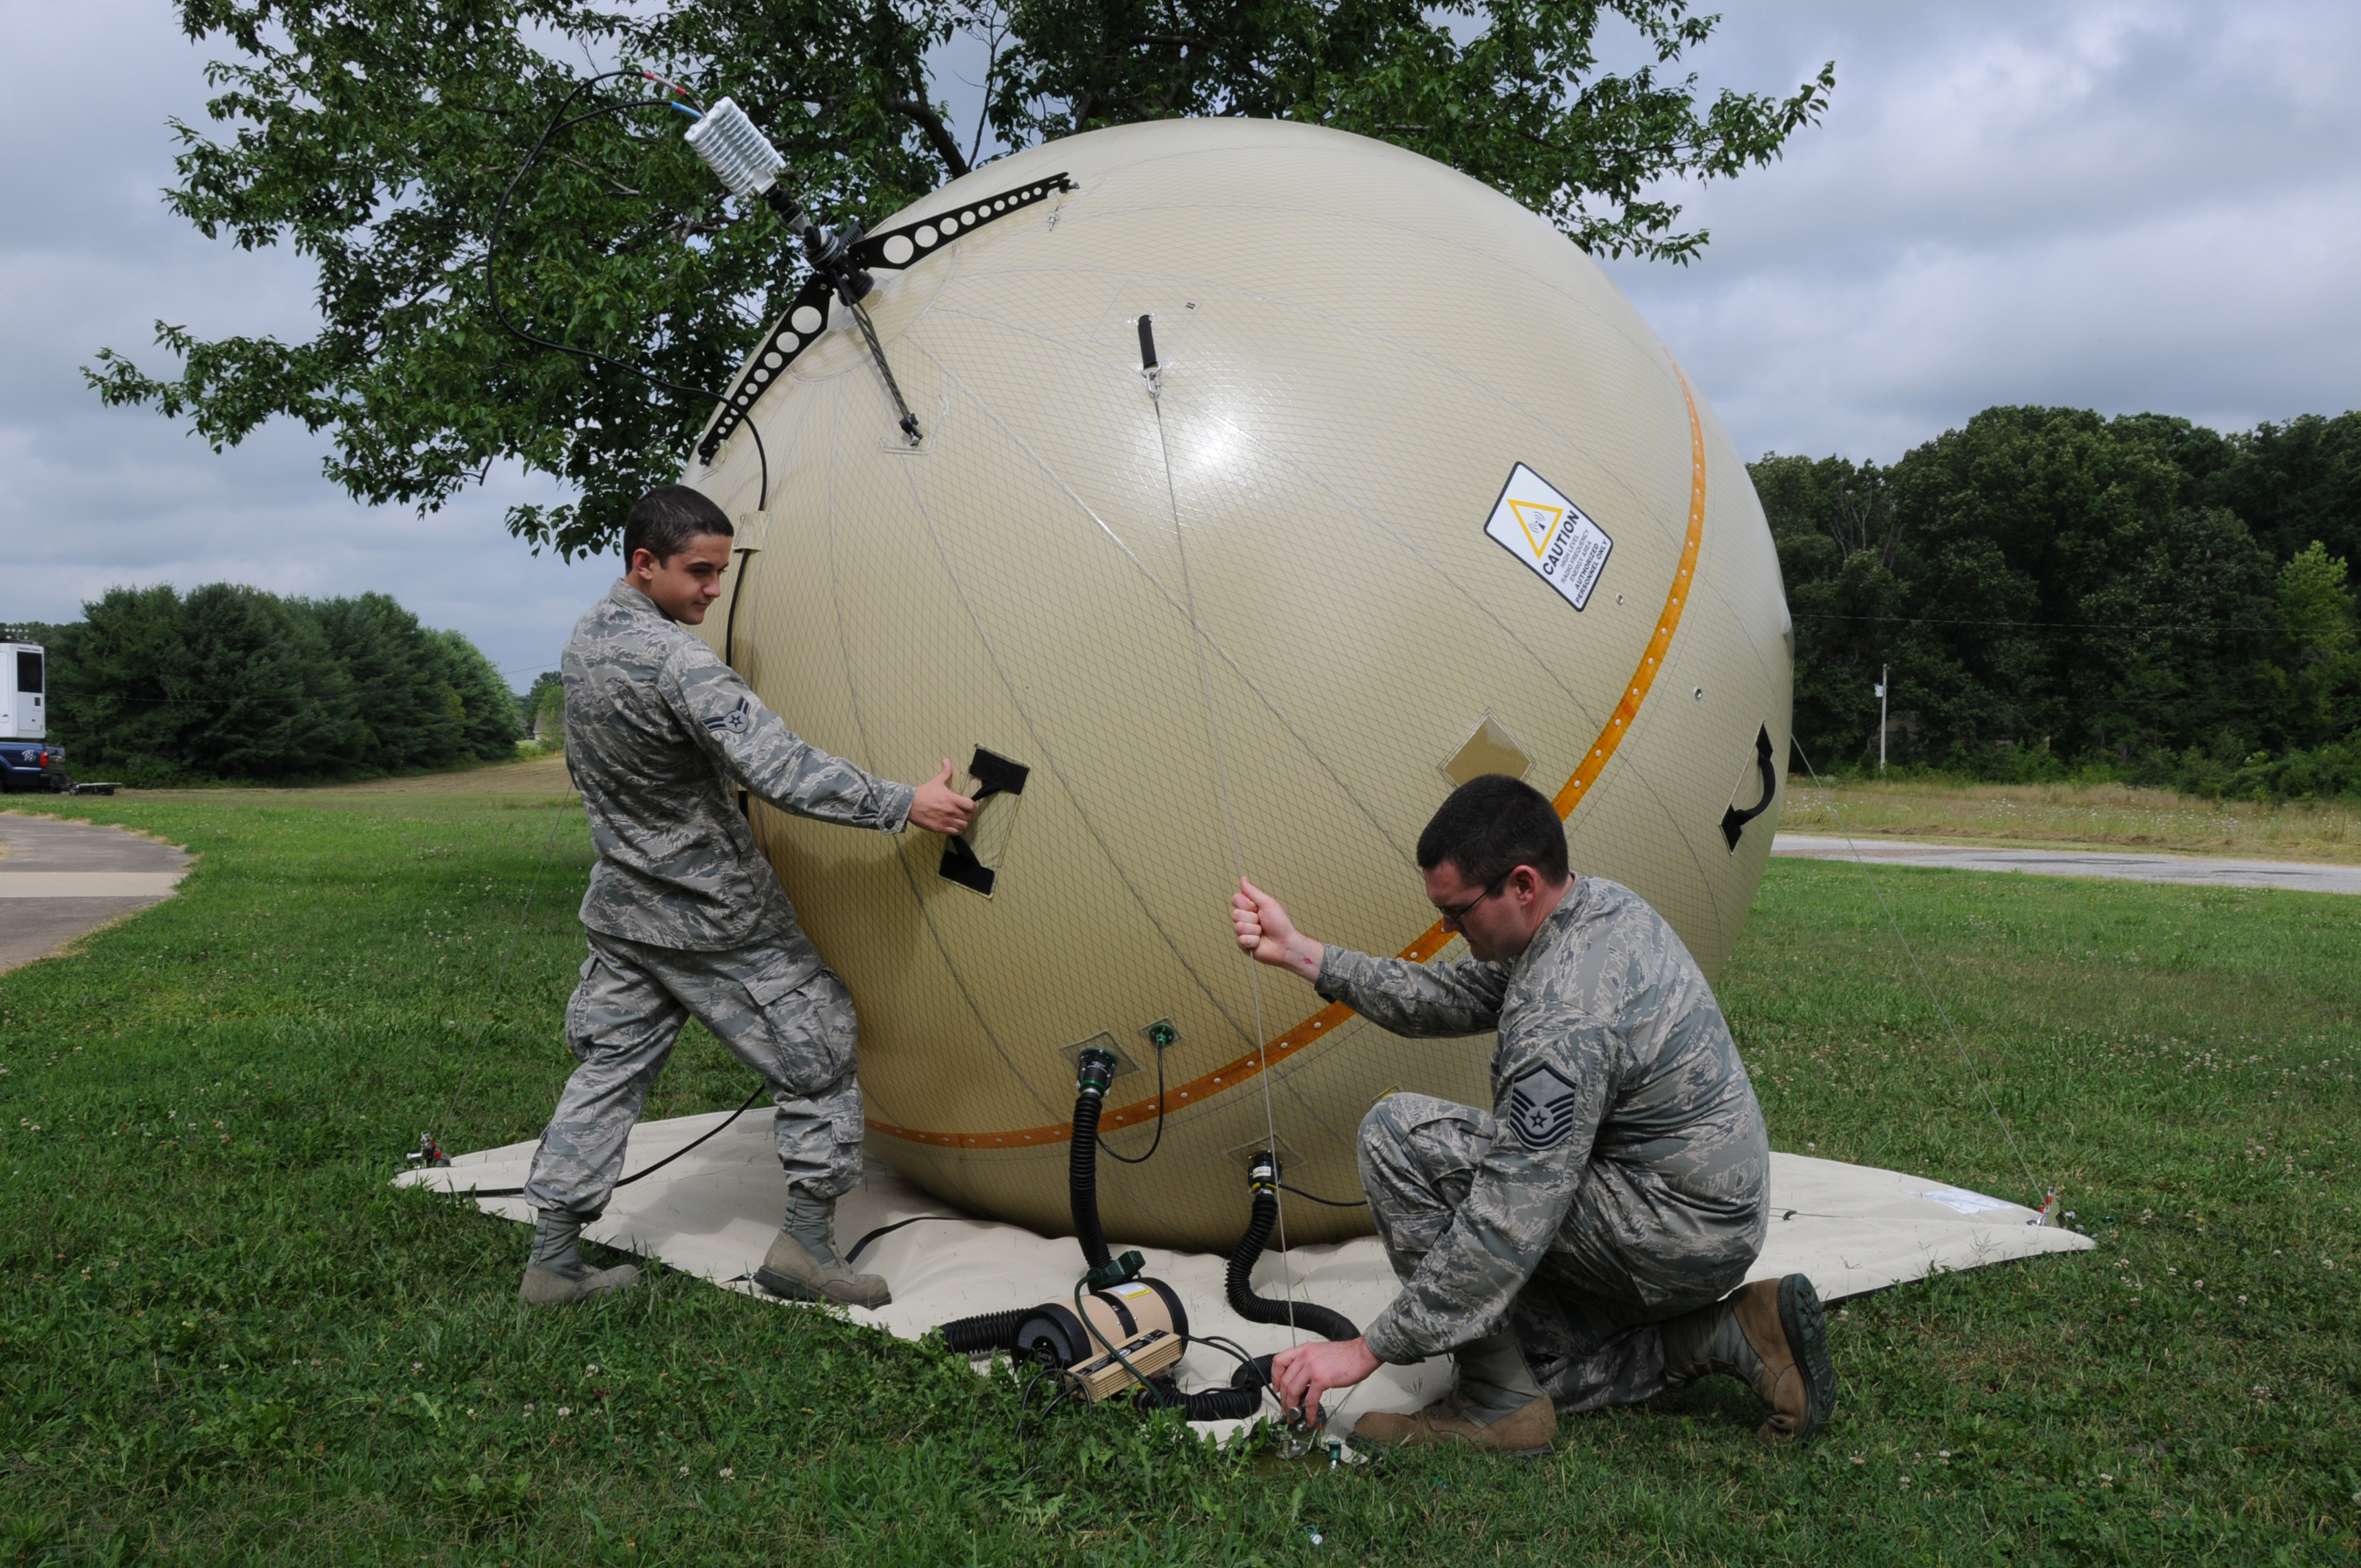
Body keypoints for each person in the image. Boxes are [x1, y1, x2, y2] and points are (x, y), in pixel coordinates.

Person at [1231, 774, 1836, 1451]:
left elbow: (1508, 1219)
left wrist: (1369, 1349)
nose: (1447, 928)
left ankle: (1499, 1403)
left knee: (1400, 1137)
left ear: (1521, 884)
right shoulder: (1593, 908)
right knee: (1507, 1319)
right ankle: (1729, 1332)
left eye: (1457, 912)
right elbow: (1455, 995)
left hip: (1672, 1238)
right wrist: (1304, 955)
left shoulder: (1561, 1018)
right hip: (1698, 1217)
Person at [518, 485, 977, 1309]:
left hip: (626, 907)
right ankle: (804, 1249)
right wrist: (905, 804)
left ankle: (552, 1260)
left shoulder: (587, 638)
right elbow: (780, 768)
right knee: (822, 1047)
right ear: (644, 563)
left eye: (721, 573)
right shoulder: (677, 660)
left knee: (610, 1073)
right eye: (698, 572)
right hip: (711, 914)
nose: (711, 591)